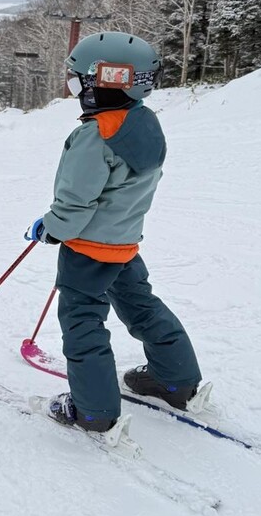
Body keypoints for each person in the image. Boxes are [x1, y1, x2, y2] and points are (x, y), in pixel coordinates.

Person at [24, 31, 202, 435]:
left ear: (103, 81)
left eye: (77, 81)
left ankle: (94, 411)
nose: (74, 89)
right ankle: (176, 380)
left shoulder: (95, 135)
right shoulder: (143, 122)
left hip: (88, 250)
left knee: (82, 321)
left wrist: (51, 228)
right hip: (124, 243)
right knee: (141, 306)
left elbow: (75, 204)